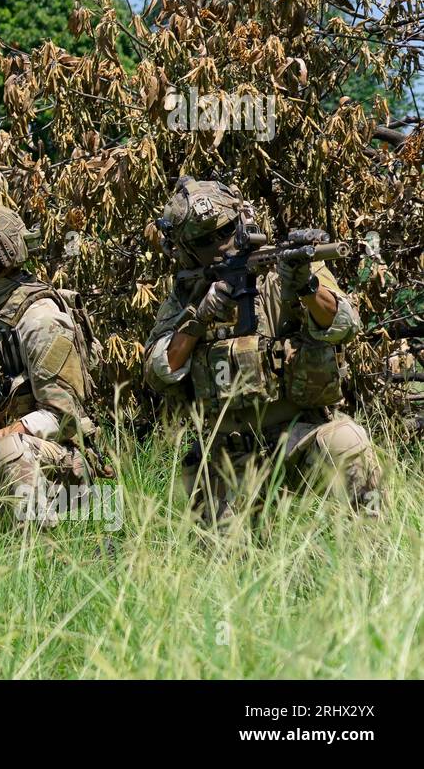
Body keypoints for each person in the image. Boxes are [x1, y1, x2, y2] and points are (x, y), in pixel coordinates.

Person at [143, 176, 382, 525]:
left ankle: (373, 555)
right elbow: (157, 371)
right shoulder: (186, 296)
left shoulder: (284, 270)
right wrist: (198, 320)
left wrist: (305, 287)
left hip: (300, 438)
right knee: (218, 566)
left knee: (348, 442)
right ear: (186, 249)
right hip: (227, 454)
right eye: (204, 241)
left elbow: (345, 324)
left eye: (225, 231)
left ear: (241, 222)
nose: (220, 246)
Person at [0, 194, 103, 525]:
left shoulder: (39, 318)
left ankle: (37, 555)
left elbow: (63, 416)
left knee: (10, 449)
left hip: (49, 461)